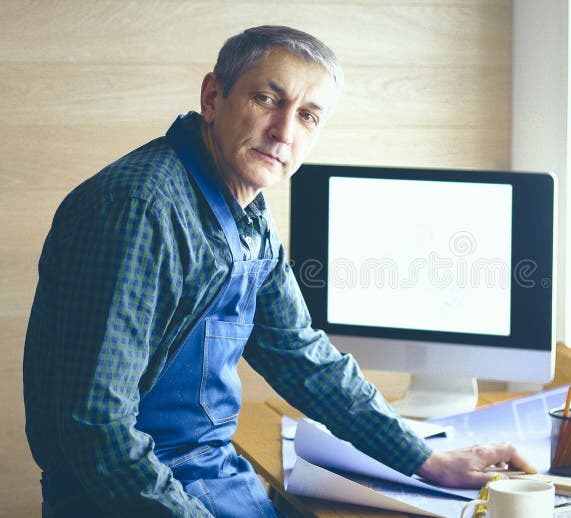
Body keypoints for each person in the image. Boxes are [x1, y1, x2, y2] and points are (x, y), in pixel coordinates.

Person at [23, 25, 535, 517]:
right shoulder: (141, 210)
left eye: (309, 115)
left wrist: (428, 460)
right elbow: (96, 426)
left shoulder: (246, 211)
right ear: (212, 97)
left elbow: (303, 358)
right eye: (267, 99)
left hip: (208, 477)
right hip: (130, 498)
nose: (284, 131)